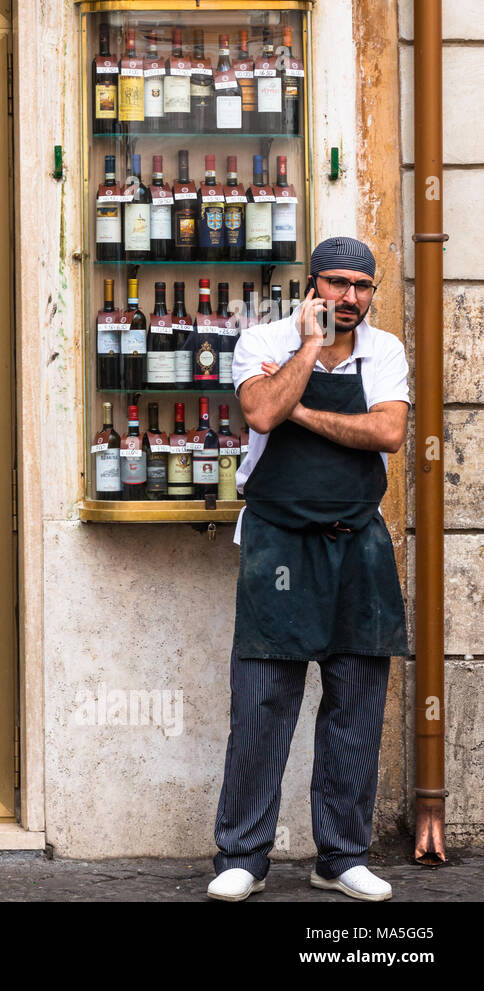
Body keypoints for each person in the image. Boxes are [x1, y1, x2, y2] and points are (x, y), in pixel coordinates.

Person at [208, 236, 410, 903]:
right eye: (336, 284)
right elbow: (261, 410)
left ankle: (342, 855)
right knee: (263, 701)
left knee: (356, 701)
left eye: (361, 285)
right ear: (312, 284)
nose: (349, 298)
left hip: (359, 543)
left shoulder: (386, 352)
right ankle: (243, 855)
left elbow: (387, 432)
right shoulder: (260, 339)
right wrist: (306, 351)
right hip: (279, 544)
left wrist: (298, 409)